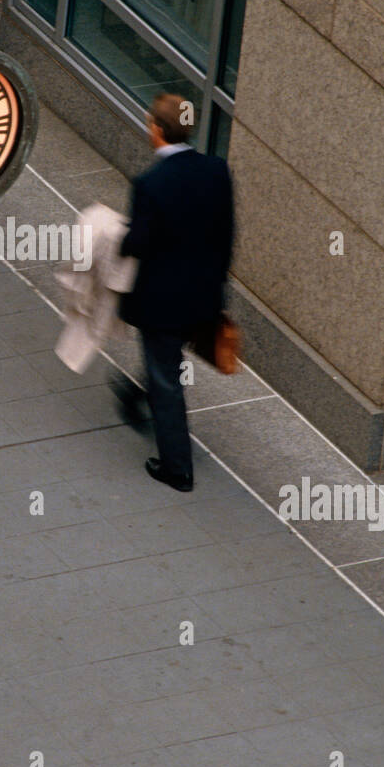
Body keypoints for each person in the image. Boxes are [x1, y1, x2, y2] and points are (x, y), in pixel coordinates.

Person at [114, 93, 235, 492]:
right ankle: (134, 395)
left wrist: (120, 238)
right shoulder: (216, 170)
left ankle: (177, 467)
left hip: (162, 303)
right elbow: (226, 234)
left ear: (157, 130)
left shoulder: (151, 184)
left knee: (166, 379)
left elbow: (139, 244)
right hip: (203, 297)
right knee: (163, 361)